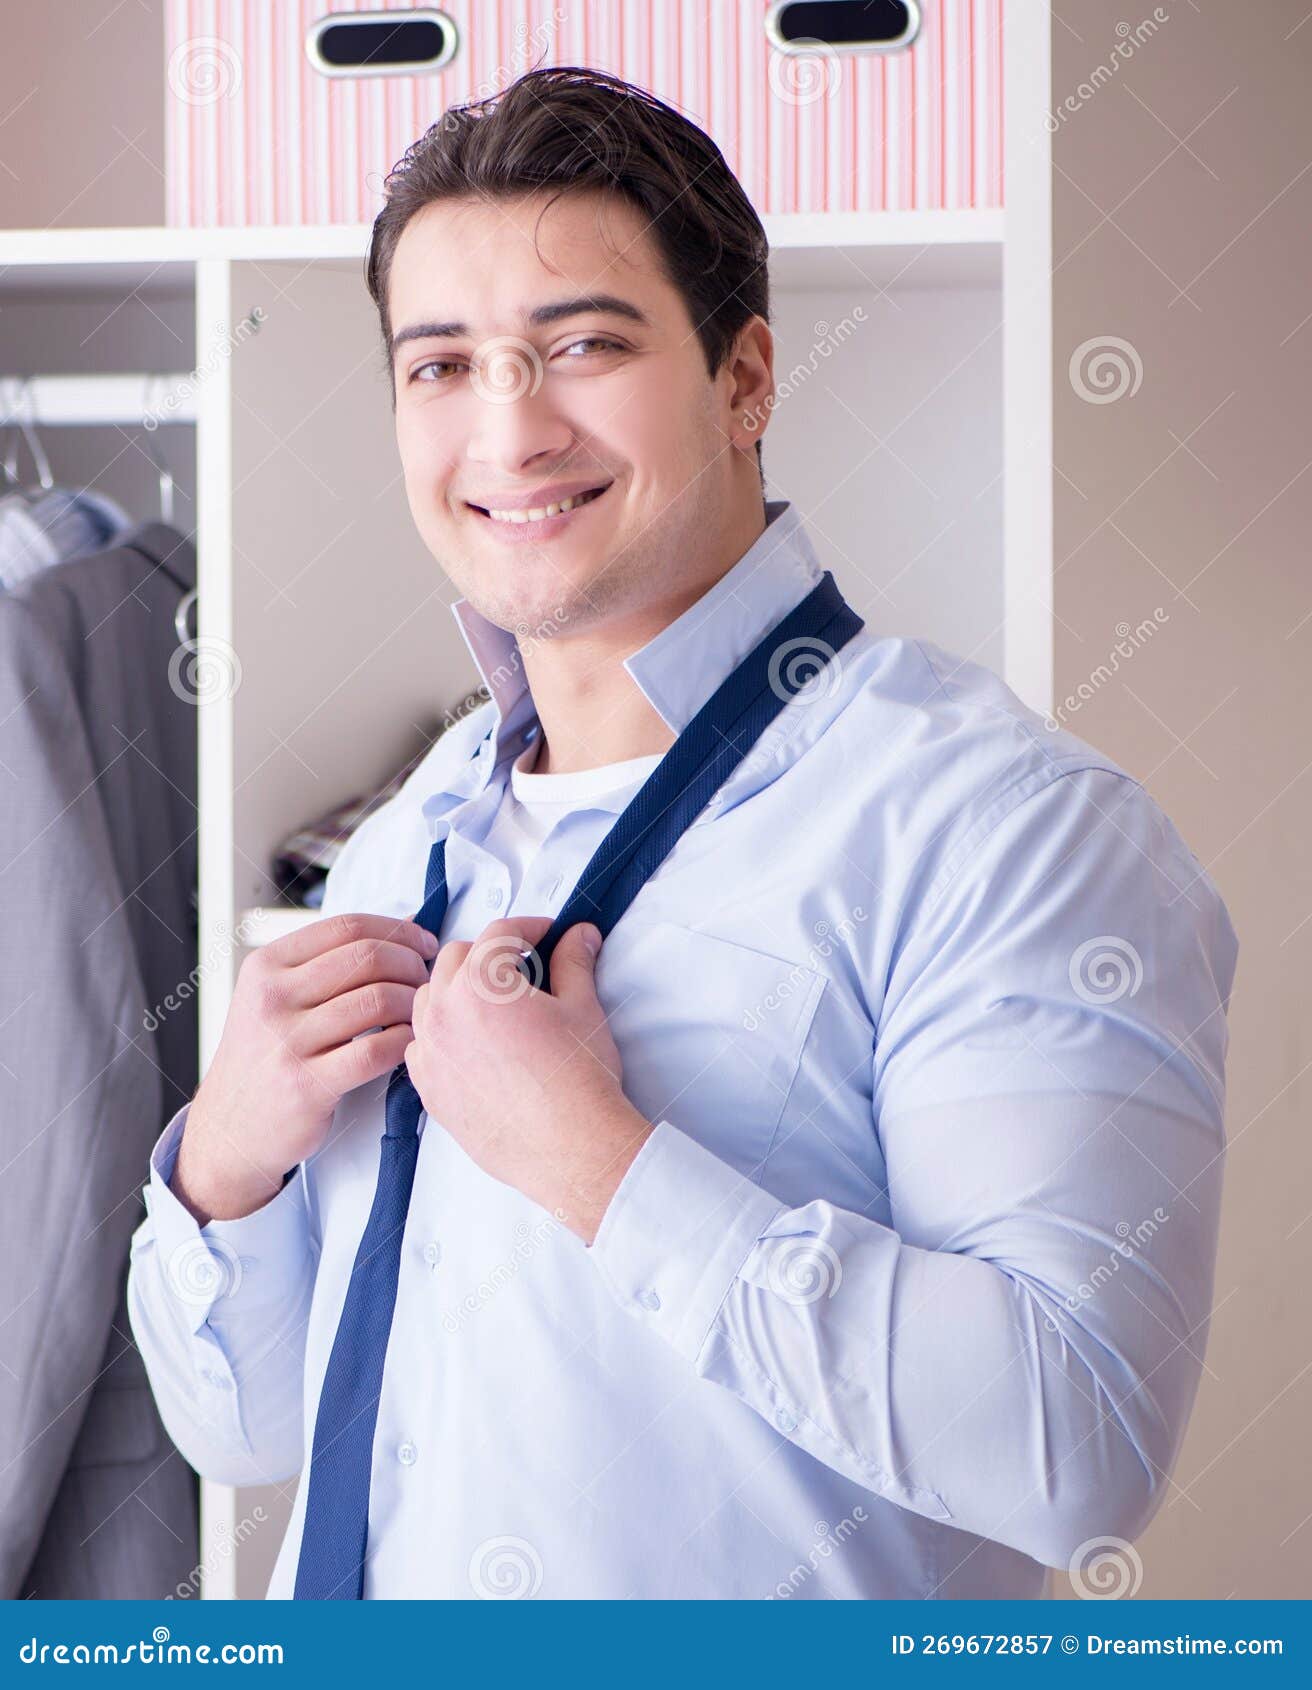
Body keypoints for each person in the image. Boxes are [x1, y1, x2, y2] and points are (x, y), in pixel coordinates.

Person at [127, 66, 1238, 1601]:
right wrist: (224, 1169)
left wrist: (599, 1162)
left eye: (582, 344)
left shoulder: (1005, 830)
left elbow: (1080, 1444)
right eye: (441, 365)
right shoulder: (403, 847)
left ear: (746, 379)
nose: (510, 429)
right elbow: (246, 1429)